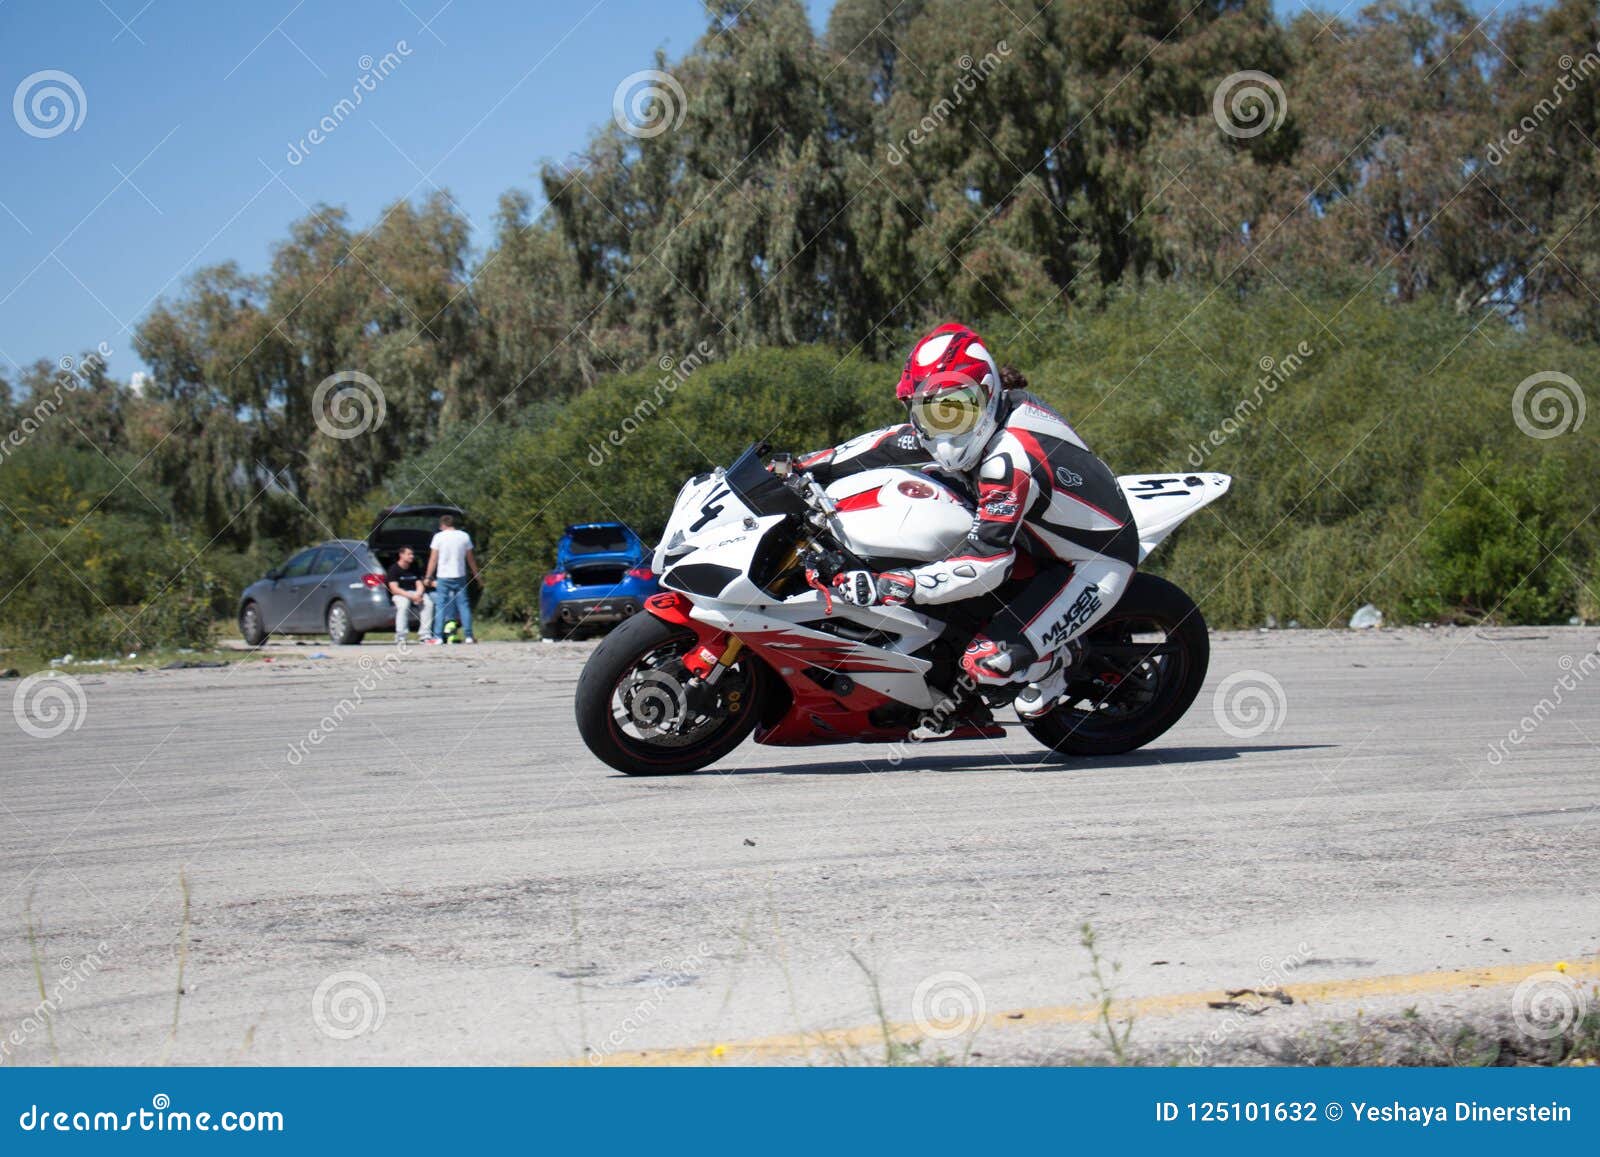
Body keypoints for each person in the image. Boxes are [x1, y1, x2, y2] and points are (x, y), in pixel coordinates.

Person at [797, 322, 1138, 719]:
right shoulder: (984, 418)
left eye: (958, 408)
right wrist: (803, 465)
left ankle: (1058, 663)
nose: (945, 427)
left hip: (1090, 563)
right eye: (933, 410)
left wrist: (892, 584)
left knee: (988, 663)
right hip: (1033, 533)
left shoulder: (1007, 461)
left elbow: (987, 565)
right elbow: (883, 444)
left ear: (989, 395)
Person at [424, 513, 480, 645]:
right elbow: (470, 558)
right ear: (453, 524)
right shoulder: (464, 536)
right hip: (459, 575)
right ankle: (469, 636)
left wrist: (428, 576)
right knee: (464, 605)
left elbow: (433, 559)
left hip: (443, 576)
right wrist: (476, 574)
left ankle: (437, 636)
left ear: (442, 525)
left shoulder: (438, 537)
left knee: (441, 606)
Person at [386, 546, 434, 644]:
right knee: (404, 605)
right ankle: (401, 636)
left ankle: (425, 635)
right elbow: (394, 589)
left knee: (428, 603)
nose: (412, 556)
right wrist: (411, 597)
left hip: (414, 593)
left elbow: (419, 583)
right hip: (401, 593)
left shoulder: (414, 567)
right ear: (401, 555)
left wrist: (419, 595)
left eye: (412, 554)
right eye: (409, 554)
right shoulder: (393, 569)